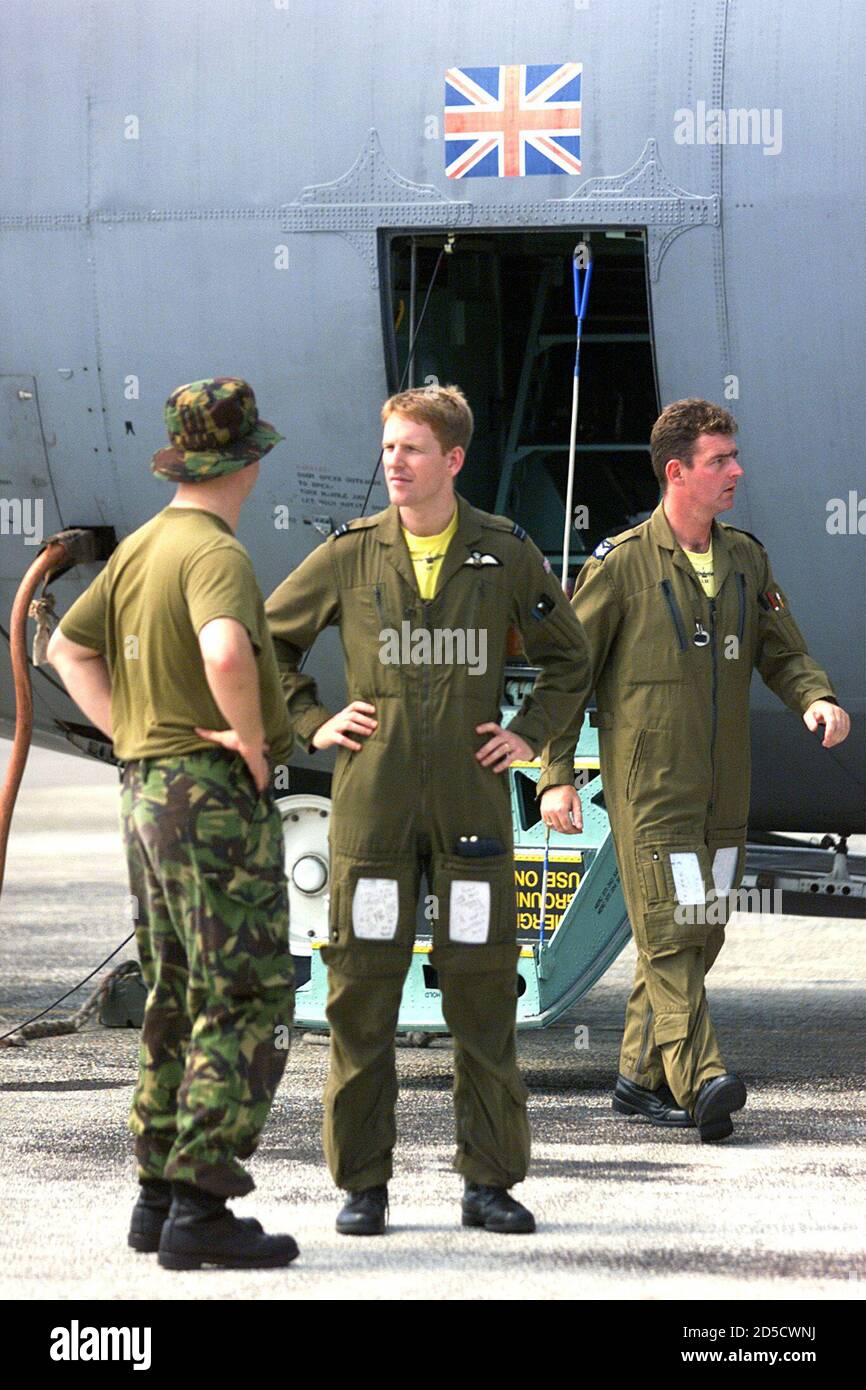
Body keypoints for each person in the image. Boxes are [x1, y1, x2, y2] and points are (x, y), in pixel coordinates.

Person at [265, 385, 592, 1234]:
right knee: (360, 997)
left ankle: (489, 1182)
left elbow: (571, 658)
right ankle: (362, 1186)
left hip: (474, 809)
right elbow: (270, 641)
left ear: (453, 460)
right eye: (387, 449)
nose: (393, 464)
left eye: (411, 449)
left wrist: (528, 736)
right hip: (372, 813)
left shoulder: (504, 553)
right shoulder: (349, 554)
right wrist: (309, 721)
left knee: (483, 998)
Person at [539, 399, 851, 1141]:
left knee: (704, 927)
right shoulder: (619, 567)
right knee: (671, 935)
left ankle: (638, 1077)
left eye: (733, 457)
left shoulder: (745, 557)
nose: (737, 470)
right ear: (677, 472)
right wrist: (554, 774)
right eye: (720, 460)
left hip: (723, 787)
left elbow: (783, 649)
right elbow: (566, 676)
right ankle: (702, 1077)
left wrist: (817, 698)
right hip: (654, 791)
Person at [47, 377, 299, 1269]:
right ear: (251, 459)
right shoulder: (213, 552)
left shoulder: (143, 546)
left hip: (147, 789)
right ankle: (203, 1201)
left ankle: (156, 1195)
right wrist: (253, 742)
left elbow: (63, 647)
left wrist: (129, 731)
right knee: (249, 989)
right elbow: (226, 647)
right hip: (211, 796)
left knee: (175, 987)